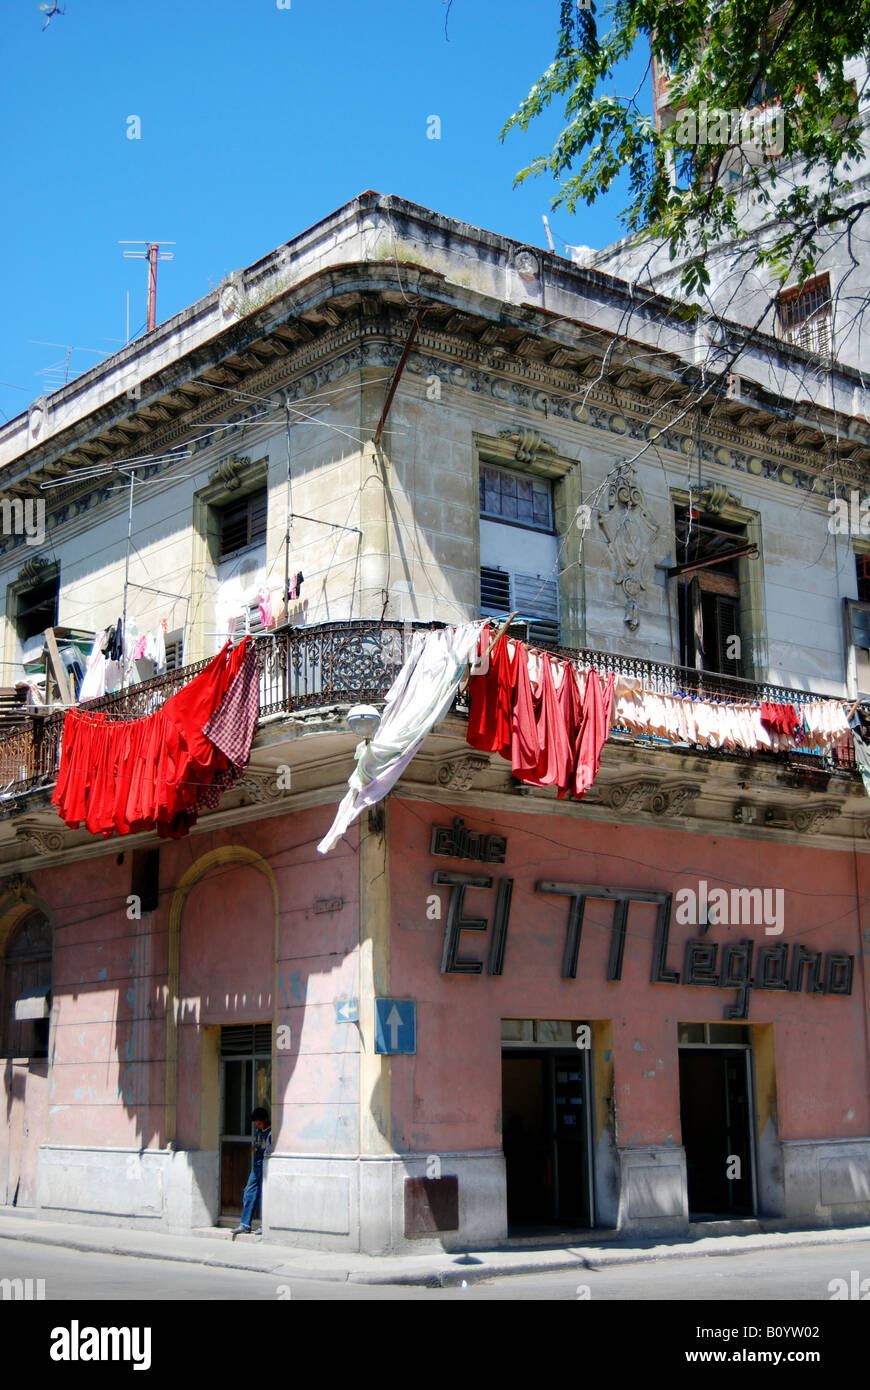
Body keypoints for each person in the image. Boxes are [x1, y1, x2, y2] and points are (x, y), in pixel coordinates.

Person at [232, 1107, 271, 1236]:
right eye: (256, 1124)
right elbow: (258, 1144)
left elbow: (268, 1149)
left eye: (259, 1124)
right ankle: (245, 1224)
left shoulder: (270, 1133)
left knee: (263, 1195)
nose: (258, 1126)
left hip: (265, 1167)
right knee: (249, 1191)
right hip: (256, 1166)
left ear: (265, 1120)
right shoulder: (258, 1131)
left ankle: (263, 1224)